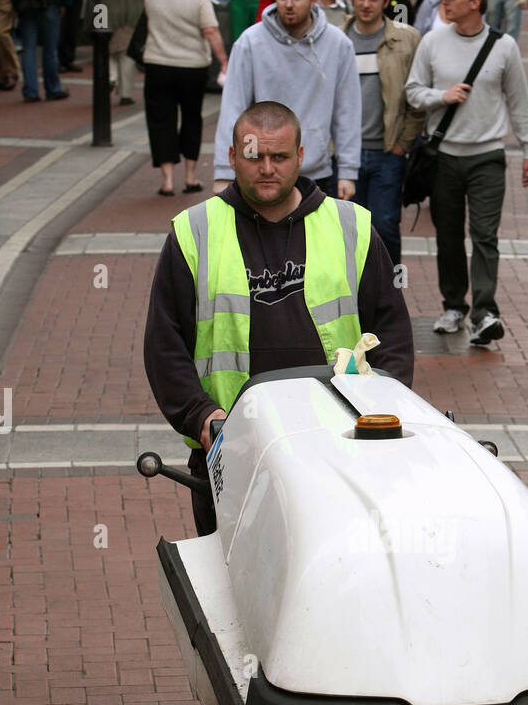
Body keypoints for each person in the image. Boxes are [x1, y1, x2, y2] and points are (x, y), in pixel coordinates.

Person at [144, 100, 415, 535]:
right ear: (233, 157)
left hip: (340, 445)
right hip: (234, 448)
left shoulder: (352, 226)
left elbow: (392, 334)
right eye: (254, 156)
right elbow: (164, 345)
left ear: (301, 156)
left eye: (279, 156)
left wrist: (378, 410)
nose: (266, 167)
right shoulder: (194, 232)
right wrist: (201, 417)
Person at [405, 0, 528, 347]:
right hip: (444, 156)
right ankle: (453, 305)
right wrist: (440, 97)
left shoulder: (504, 46)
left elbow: (518, 101)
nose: (444, 2)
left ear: (475, 2)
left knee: (484, 235)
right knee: (447, 236)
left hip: (488, 156)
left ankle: (484, 312)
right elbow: (413, 92)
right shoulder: (432, 41)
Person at [214, 0, 361, 201]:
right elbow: (233, 107)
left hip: (315, 169)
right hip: (261, 169)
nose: (288, 4)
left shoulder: (338, 44)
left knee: (313, 239)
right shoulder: (250, 42)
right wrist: (223, 169)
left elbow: (347, 112)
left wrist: (348, 171)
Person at [342, 0, 423, 265]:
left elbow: (417, 95)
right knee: (349, 230)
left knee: (385, 225)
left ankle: (390, 295)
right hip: (344, 153)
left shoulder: (406, 39)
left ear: (387, 0)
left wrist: (404, 142)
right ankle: (357, 298)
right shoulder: (336, 39)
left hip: (388, 151)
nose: (366, 4)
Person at [143, 0, 228, 196]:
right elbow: (210, 30)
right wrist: (223, 59)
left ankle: (167, 180)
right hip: (192, 66)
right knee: (192, 118)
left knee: (161, 120)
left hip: (157, 63)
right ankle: (190, 176)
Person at [85, 0, 147, 106]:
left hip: (104, 16)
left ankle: (110, 77)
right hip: (132, 18)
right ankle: (126, 92)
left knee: (107, 52)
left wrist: (92, 23)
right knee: (127, 57)